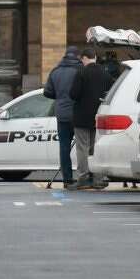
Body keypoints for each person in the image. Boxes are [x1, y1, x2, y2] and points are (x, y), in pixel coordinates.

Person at [70, 47, 113, 189]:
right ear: (95, 57)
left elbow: (73, 94)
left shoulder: (81, 72)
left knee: (82, 148)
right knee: (95, 148)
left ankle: (83, 177)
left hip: (82, 116)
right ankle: (98, 179)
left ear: (84, 58)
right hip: (99, 116)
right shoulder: (105, 74)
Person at [44, 45, 83, 188]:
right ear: (78, 56)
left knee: (64, 147)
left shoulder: (55, 71)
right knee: (83, 147)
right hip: (79, 114)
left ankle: (67, 179)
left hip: (62, 115)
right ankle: (83, 176)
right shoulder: (80, 70)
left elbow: (47, 92)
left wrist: (60, 96)